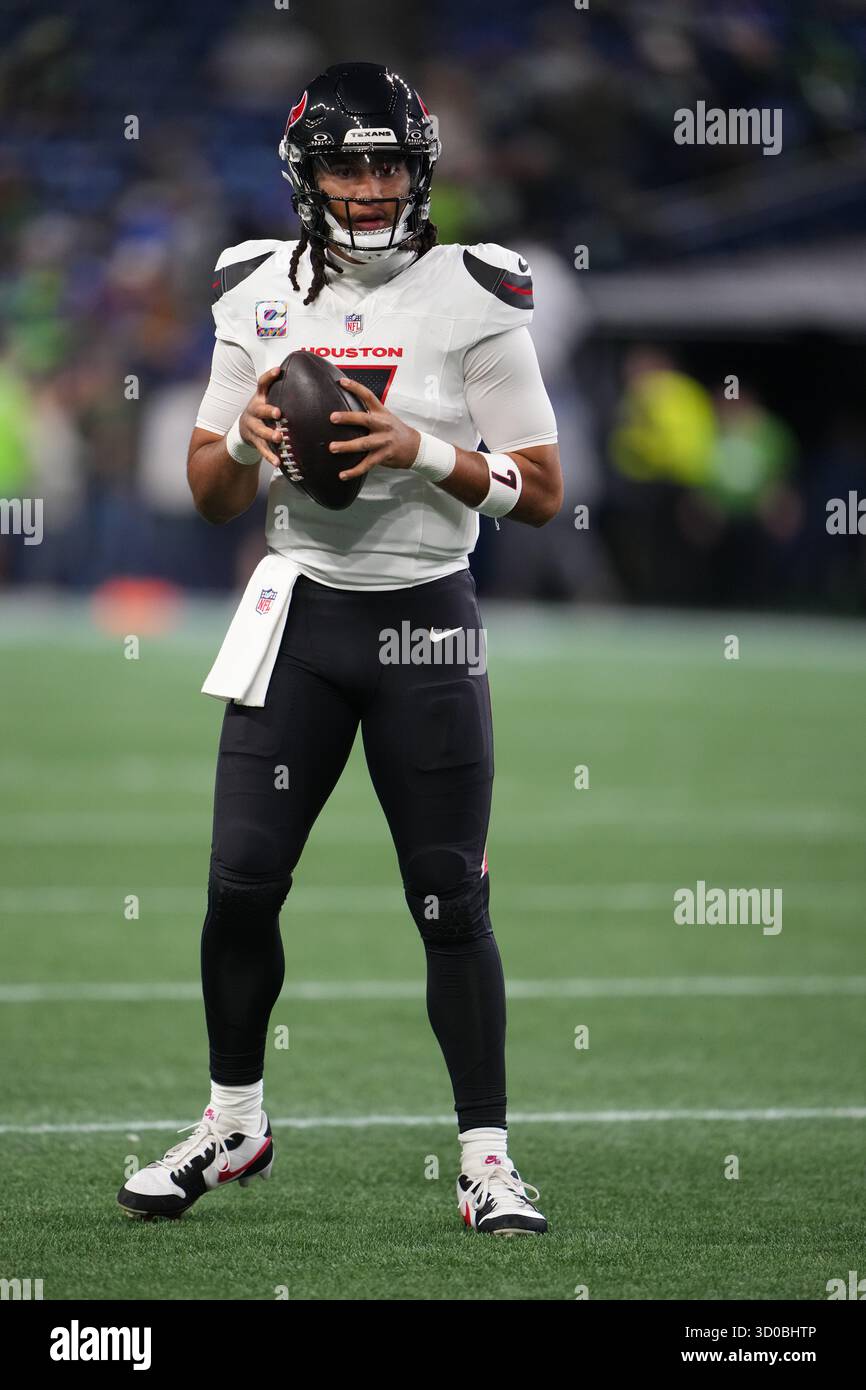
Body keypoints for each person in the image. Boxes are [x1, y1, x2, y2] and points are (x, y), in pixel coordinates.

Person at [117, 62, 561, 1236]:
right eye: (343, 166)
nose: (367, 187)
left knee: (448, 898)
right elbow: (208, 489)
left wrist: (421, 449)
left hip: (426, 620)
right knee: (238, 882)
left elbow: (541, 492)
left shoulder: (476, 291)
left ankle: (485, 1158)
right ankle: (233, 1120)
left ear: (420, 171)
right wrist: (249, 439)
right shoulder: (254, 287)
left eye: (386, 165)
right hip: (301, 620)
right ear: (303, 175)